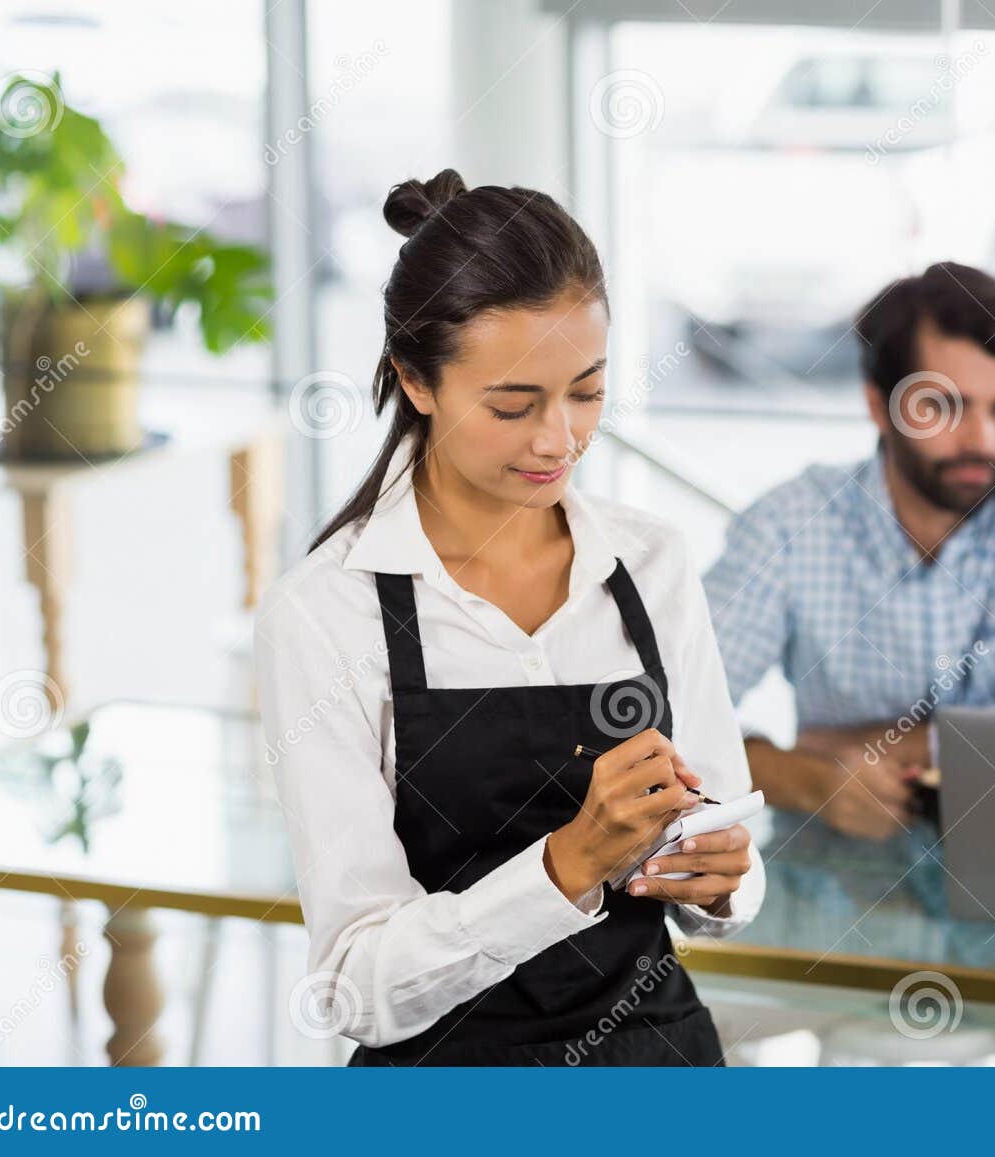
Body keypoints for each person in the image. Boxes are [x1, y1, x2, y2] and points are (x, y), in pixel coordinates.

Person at [254, 170, 763, 1066]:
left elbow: (725, 850)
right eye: (513, 405)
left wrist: (722, 881)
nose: (557, 439)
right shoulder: (324, 611)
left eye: (588, 392)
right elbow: (355, 986)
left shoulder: (651, 563)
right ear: (415, 379)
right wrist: (568, 862)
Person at [702, 262, 995, 841]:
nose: (983, 440)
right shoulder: (791, 523)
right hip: (843, 883)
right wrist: (807, 779)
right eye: (945, 407)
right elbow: (673, 718)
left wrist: (853, 747)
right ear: (880, 406)